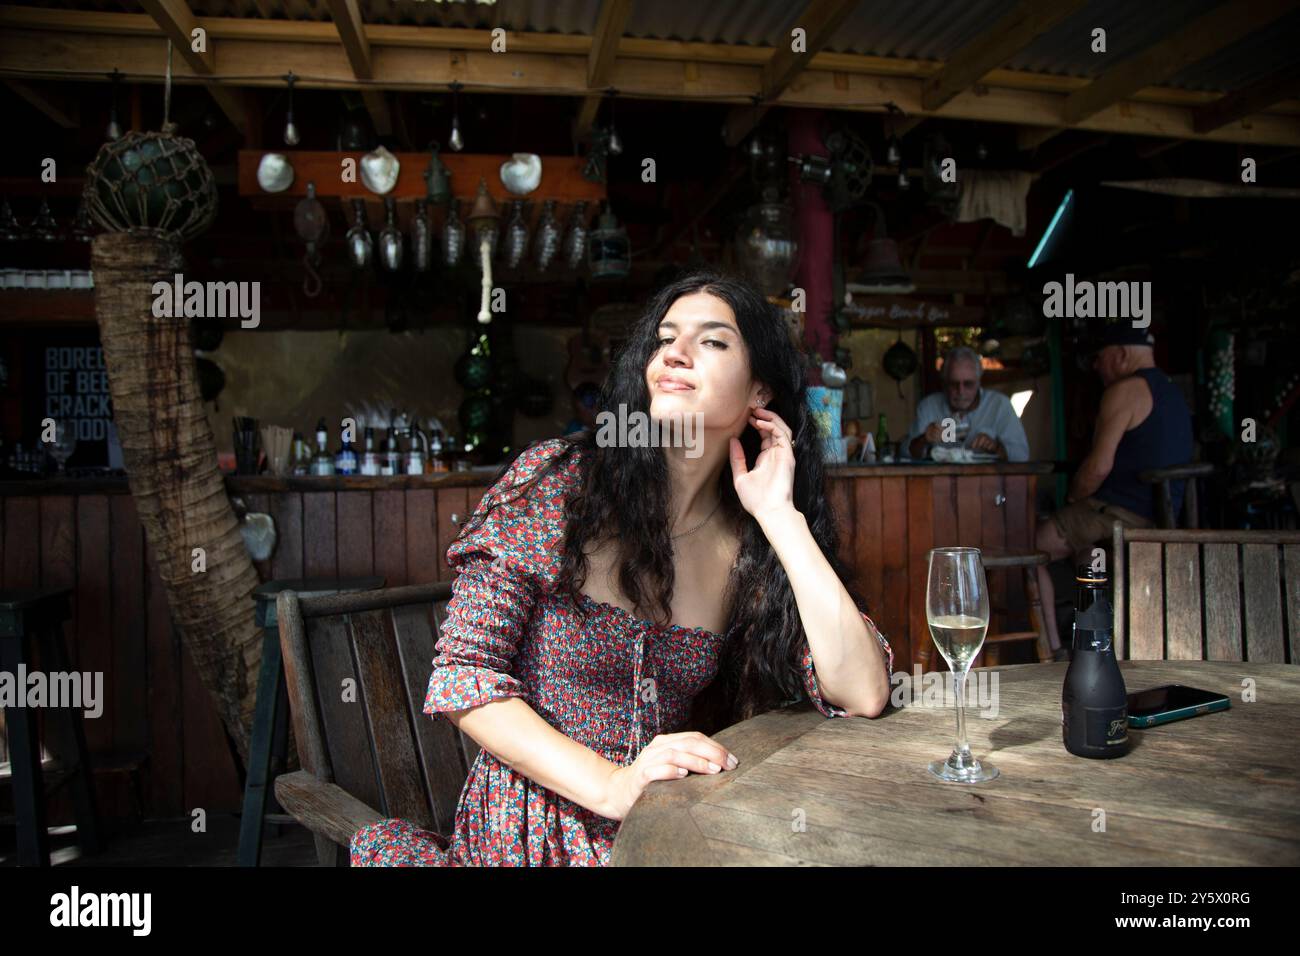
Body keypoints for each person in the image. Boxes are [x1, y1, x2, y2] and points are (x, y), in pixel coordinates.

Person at [350, 271, 895, 866]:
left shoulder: (752, 545)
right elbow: (463, 678)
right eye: (665, 339)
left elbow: (862, 691)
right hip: (530, 829)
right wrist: (612, 784)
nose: (676, 353)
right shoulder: (561, 485)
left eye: (712, 342)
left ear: (759, 391)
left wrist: (781, 518)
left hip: (670, 831)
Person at [1035, 323, 1193, 660]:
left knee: (1033, 548)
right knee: (1088, 551)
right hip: (1161, 517)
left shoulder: (1124, 391)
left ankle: (1051, 650)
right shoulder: (1173, 391)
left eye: (1100, 357)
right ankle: (1097, 635)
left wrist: (1073, 498)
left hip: (1124, 516)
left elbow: (1098, 468)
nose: (1096, 366)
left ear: (1120, 355)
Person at [905, 346, 1030, 462]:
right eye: (954, 384)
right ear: (944, 382)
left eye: (968, 384)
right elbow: (904, 453)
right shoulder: (929, 406)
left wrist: (996, 447)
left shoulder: (999, 405)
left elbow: (1022, 455)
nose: (961, 391)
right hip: (938, 483)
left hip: (988, 483)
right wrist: (923, 439)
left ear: (979, 381)